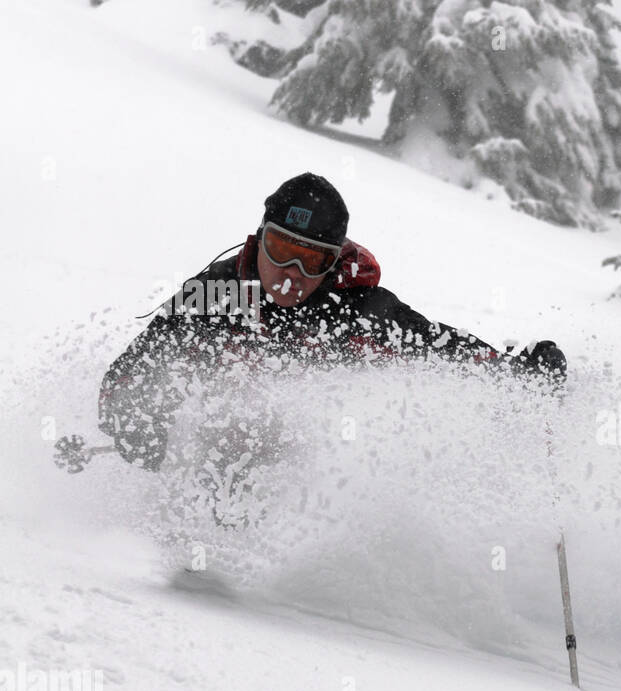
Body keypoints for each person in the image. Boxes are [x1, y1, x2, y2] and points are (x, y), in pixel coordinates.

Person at [99, 172, 565, 471]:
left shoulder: (354, 310)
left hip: (309, 462)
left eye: (312, 260)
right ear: (259, 240)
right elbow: (129, 377)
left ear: (332, 263)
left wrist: (519, 371)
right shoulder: (215, 295)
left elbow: (439, 347)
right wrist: (136, 426)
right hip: (214, 443)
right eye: (283, 252)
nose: (293, 275)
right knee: (231, 429)